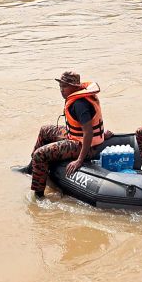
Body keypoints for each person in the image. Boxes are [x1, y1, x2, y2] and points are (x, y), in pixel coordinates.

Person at [25, 71, 106, 199]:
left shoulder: (80, 104)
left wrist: (79, 160)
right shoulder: (77, 99)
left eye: (65, 87)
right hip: (75, 135)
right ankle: (30, 168)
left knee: (39, 154)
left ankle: (39, 196)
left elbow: (88, 132)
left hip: (84, 145)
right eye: (60, 87)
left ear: (75, 87)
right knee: (45, 130)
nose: (61, 90)